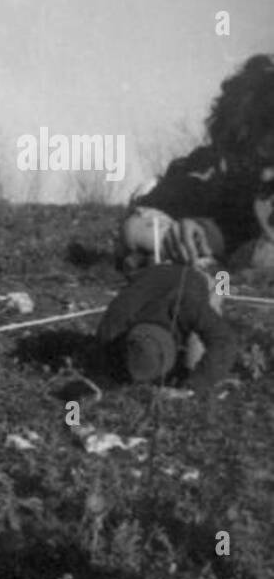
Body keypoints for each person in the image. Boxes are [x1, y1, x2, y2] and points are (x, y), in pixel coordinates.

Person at [120, 54, 274, 269]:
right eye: (254, 161)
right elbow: (138, 227)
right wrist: (170, 238)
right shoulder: (210, 178)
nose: (266, 175)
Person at [96, 263, 238, 395]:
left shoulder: (188, 306)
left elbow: (224, 339)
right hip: (152, 272)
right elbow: (105, 343)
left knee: (194, 354)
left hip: (196, 277)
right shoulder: (117, 318)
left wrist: (193, 388)